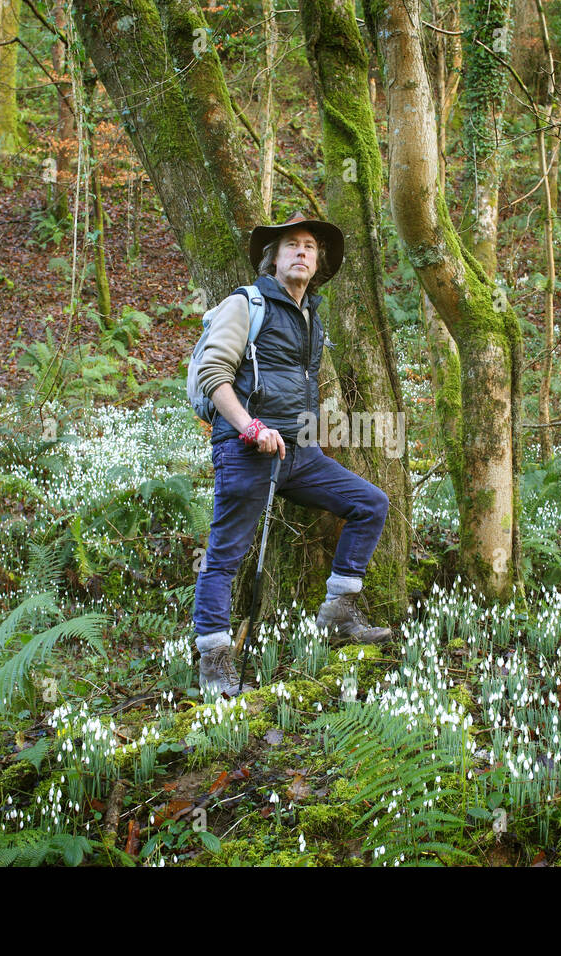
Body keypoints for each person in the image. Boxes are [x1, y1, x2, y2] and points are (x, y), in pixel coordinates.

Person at [191, 214, 393, 697]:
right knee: (223, 557)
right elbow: (213, 375)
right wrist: (250, 427)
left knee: (370, 504)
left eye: (310, 246)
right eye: (291, 246)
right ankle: (214, 659)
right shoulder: (246, 304)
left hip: (299, 453)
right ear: (274, 258)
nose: (302, 252)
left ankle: (338, 611)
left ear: (318, 262)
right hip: (246, 452)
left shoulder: (311, 317)